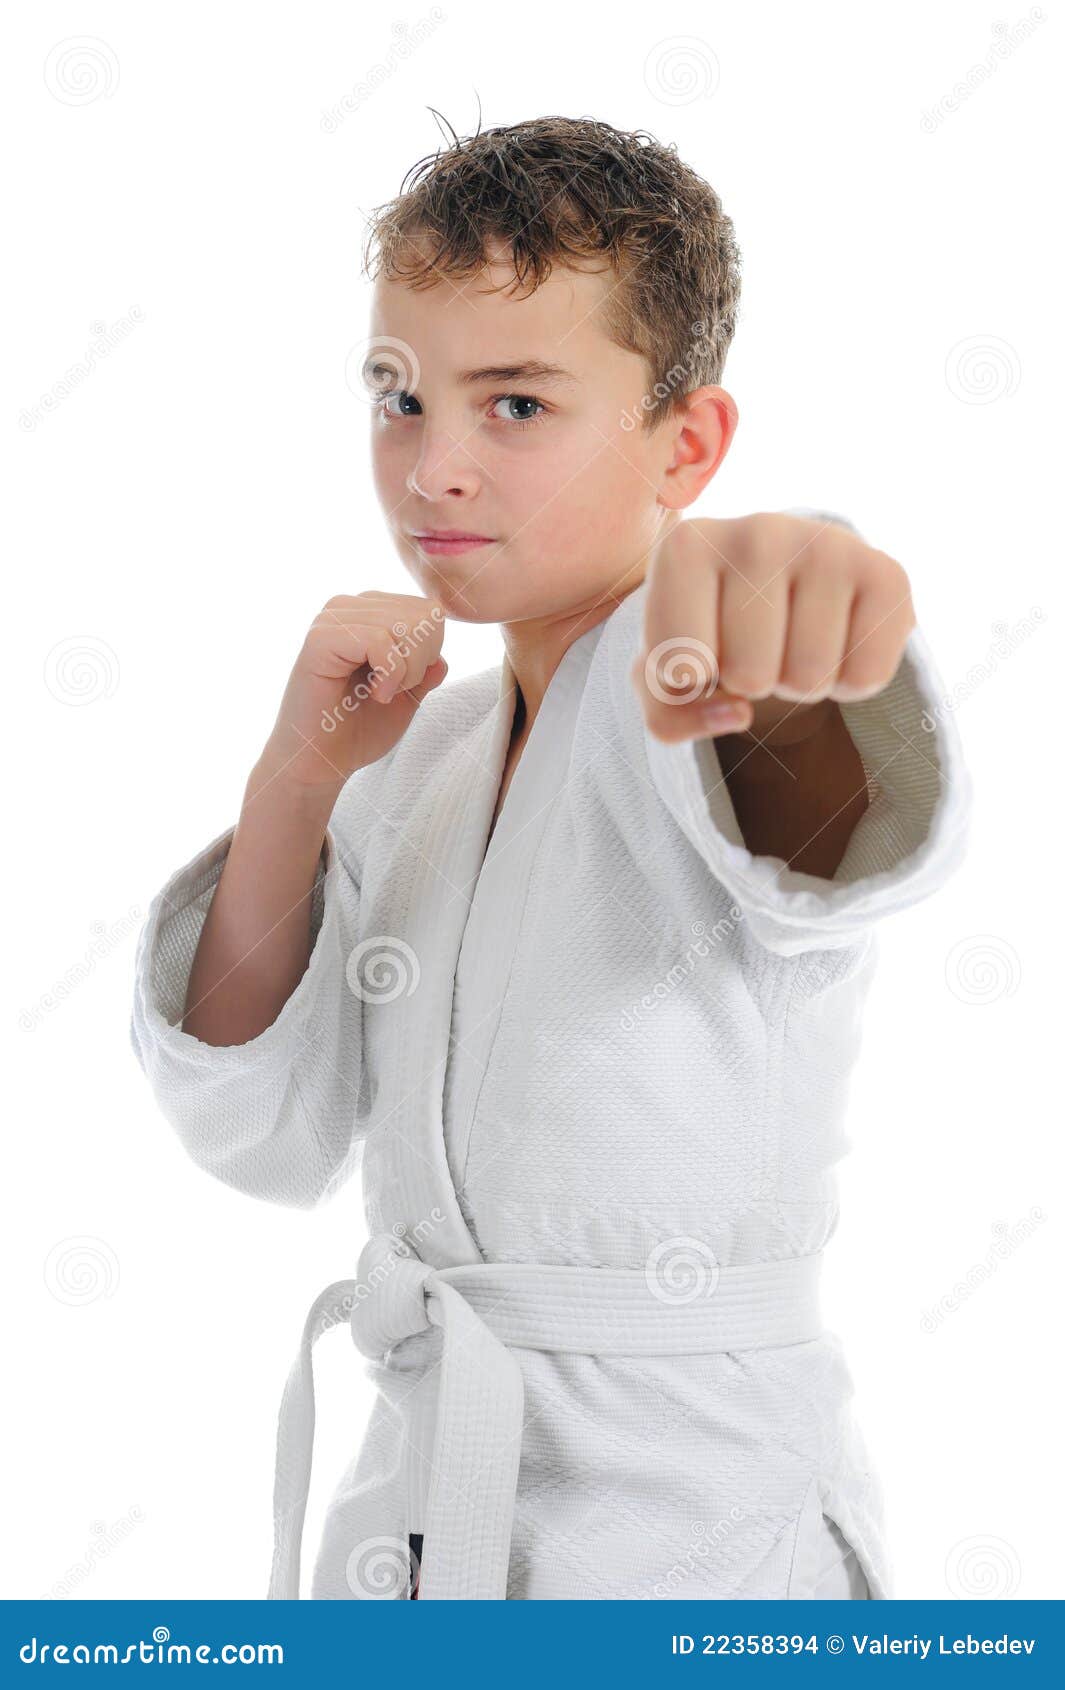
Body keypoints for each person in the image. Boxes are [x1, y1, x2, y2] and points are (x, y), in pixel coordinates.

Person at [130, 115, 972, 1601]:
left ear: (686, 445)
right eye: (398, 395)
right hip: (414, 1512)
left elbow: (816, 827)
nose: (432, 467)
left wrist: (794, 614)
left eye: (515, 404)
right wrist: (296, 784)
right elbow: (265, 1133)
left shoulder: (690, 682)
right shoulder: (426, 758)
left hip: (698, 1535)